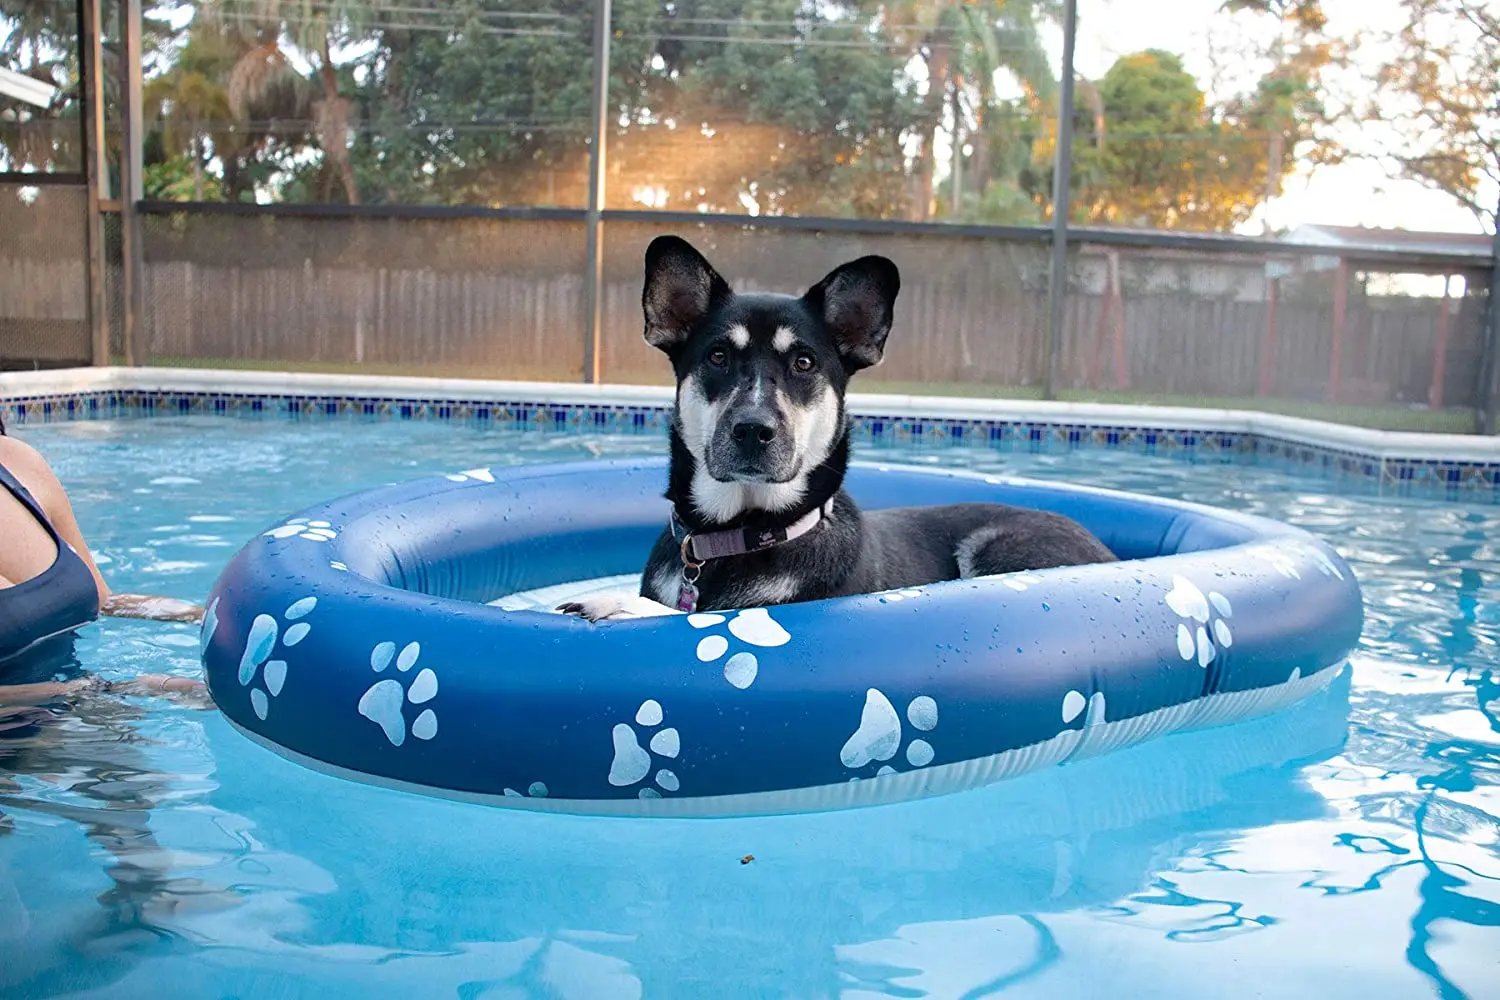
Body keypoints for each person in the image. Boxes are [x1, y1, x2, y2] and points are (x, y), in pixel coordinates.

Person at [0, 411, 208, 704]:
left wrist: (205, 616)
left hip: (84, 716)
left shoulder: (19, 463)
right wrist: (106, 691)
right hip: (47, 729)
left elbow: (103, 599)